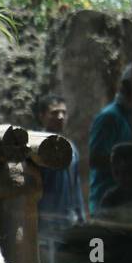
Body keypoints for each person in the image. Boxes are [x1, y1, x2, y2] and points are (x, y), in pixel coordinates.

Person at [35, 94, 85, 228]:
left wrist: (80, 217)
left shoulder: (71, 148)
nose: (61, 117)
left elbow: (76, 186)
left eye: (64, 112)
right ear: (42, 116)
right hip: (46, 222)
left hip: (68, 220)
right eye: (54, 113)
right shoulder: (36, 148)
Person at [88, 66, 132, 215]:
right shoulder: (109, 117)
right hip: (106, 203)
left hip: (127, 204)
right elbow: (95, 158)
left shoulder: (131, 117)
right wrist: (130, 165)